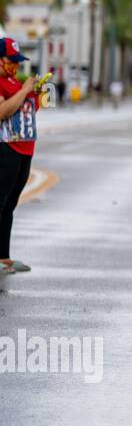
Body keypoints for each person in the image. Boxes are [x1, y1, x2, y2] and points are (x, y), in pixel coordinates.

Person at [0, 39, 40, 275]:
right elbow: (3, 112)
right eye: (10, 61)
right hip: (6, 148)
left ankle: (3, 257)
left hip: (25, 149)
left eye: (17, 62)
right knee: (0, 202)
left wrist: (37, 95)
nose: (14, 66)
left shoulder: (15, 82)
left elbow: (25, 111)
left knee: (10, 204)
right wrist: (25, 91)